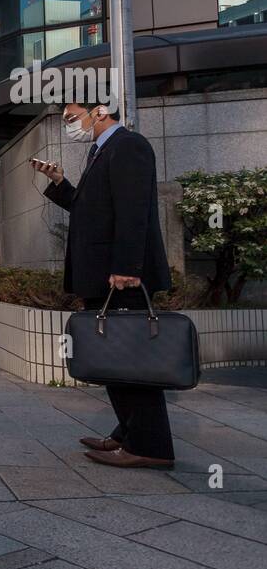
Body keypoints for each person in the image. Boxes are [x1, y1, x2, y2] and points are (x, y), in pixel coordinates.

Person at [34, 101, 174, 469]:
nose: (69, 125)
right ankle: (128, 433)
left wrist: (126, 266)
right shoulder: (101, 151)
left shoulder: (128, 145)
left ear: (99, 111)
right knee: (114, 358)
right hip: (103, 275)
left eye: (72, 118)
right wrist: (60, 182)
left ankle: (150, 446)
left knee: (132, 360)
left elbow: (134, 209)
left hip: (123, 277)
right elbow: (90, 210)